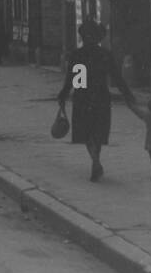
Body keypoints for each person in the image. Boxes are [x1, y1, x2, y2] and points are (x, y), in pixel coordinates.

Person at [56, 20, 137, 182]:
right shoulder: (105, 54)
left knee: (86, 132)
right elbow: (116, 77)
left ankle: (94, 159)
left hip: (82, 97)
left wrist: (63, 95)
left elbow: (71, 79)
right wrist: (128, 95)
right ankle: (96, 158)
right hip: (100, 96)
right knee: (98, 131)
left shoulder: (76, 54)